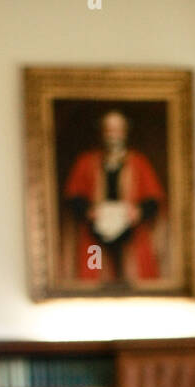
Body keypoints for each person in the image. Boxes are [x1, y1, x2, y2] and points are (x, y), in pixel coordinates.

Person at [62, 110, 165, 285]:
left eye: (117, 130)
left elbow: (154, 199)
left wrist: (138, 212)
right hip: (95, 235)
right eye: (109, 130)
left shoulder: (139, 163)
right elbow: (74, 196)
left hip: (132, 233)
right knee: (93, 273)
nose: (113, 135)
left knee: (138, 277)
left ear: (124, 132)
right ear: (102, 133)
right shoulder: (87, 162)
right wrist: (89, 211)